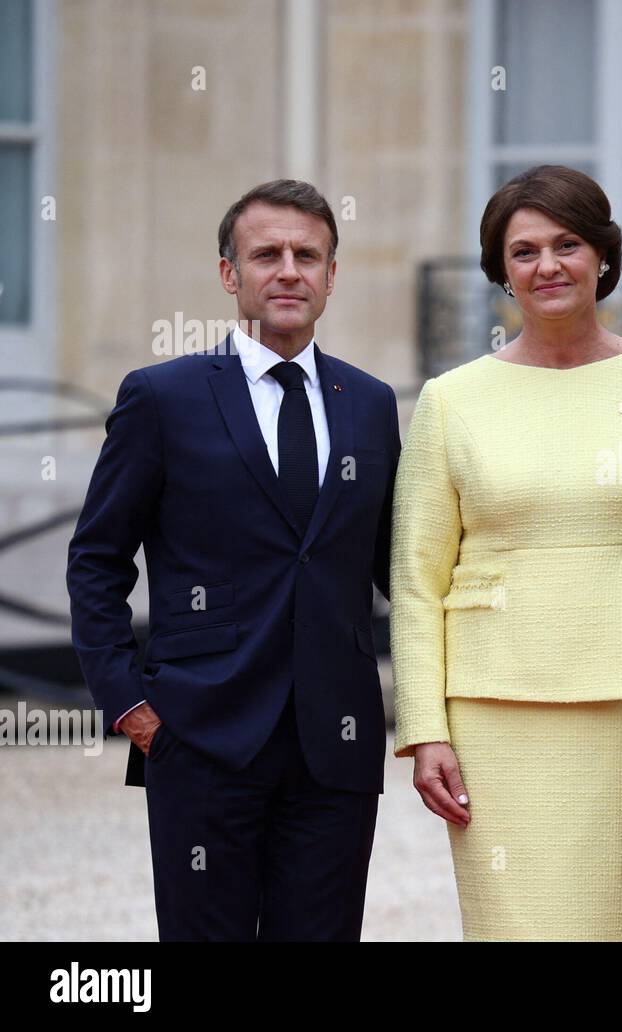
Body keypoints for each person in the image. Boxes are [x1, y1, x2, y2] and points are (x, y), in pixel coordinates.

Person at [66, 180, 400, 941]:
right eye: (267, 254)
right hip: (200, 738)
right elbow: (97, 561)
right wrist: (128, 705)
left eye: (307, 255)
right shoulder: (162, 397)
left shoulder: (369, 402)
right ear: (230, 275)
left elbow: (395, 565)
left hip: (336, 745)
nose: (289, 270)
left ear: (330, 275)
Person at [390, 165, 622, 940]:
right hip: (491, 715)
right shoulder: (450, 400)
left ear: (602, 257)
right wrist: (425, 729)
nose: (548, 265)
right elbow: (416, 580)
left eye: (568, 243)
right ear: (501, 271)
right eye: (524, 252)